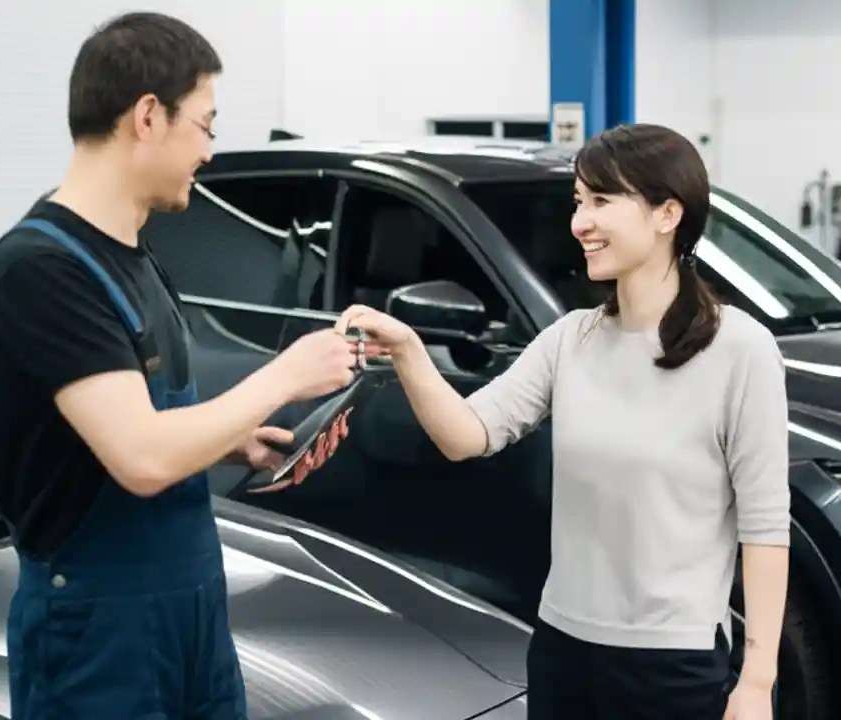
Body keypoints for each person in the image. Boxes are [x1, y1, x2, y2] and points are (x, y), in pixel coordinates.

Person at [0, 12, 359, 719]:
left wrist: (231, 439)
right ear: (148, 116)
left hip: (190, 615)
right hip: (100, 636)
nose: (209, 152)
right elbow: (142, 457)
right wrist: (286, 376)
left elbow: (145, 424)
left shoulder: (139, 260)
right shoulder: (43, 273)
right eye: (205, 125)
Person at [337, 123, 791, 719]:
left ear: (666, 214)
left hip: (675, 665)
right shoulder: (570, 340)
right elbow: (466, 435)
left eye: (602, 201)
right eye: (579, 202)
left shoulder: (741, 350)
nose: (580, 223)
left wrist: (757, 682)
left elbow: (765, 527)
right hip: (564, 652)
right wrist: (407, 351)